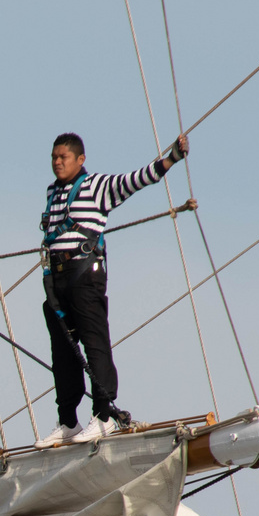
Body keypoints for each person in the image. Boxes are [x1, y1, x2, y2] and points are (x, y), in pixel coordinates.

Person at [35, 131, 188, 447]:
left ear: (80, 159)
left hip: (84, 276)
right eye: (54, 157)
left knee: (94, 344)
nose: (57, 162)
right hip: (56, 281)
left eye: (63, 157)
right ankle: (68, 422)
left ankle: (103, 417)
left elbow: (139, 179)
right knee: (63, 354)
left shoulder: (96, 187)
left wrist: (171, 157)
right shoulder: (52, 192)